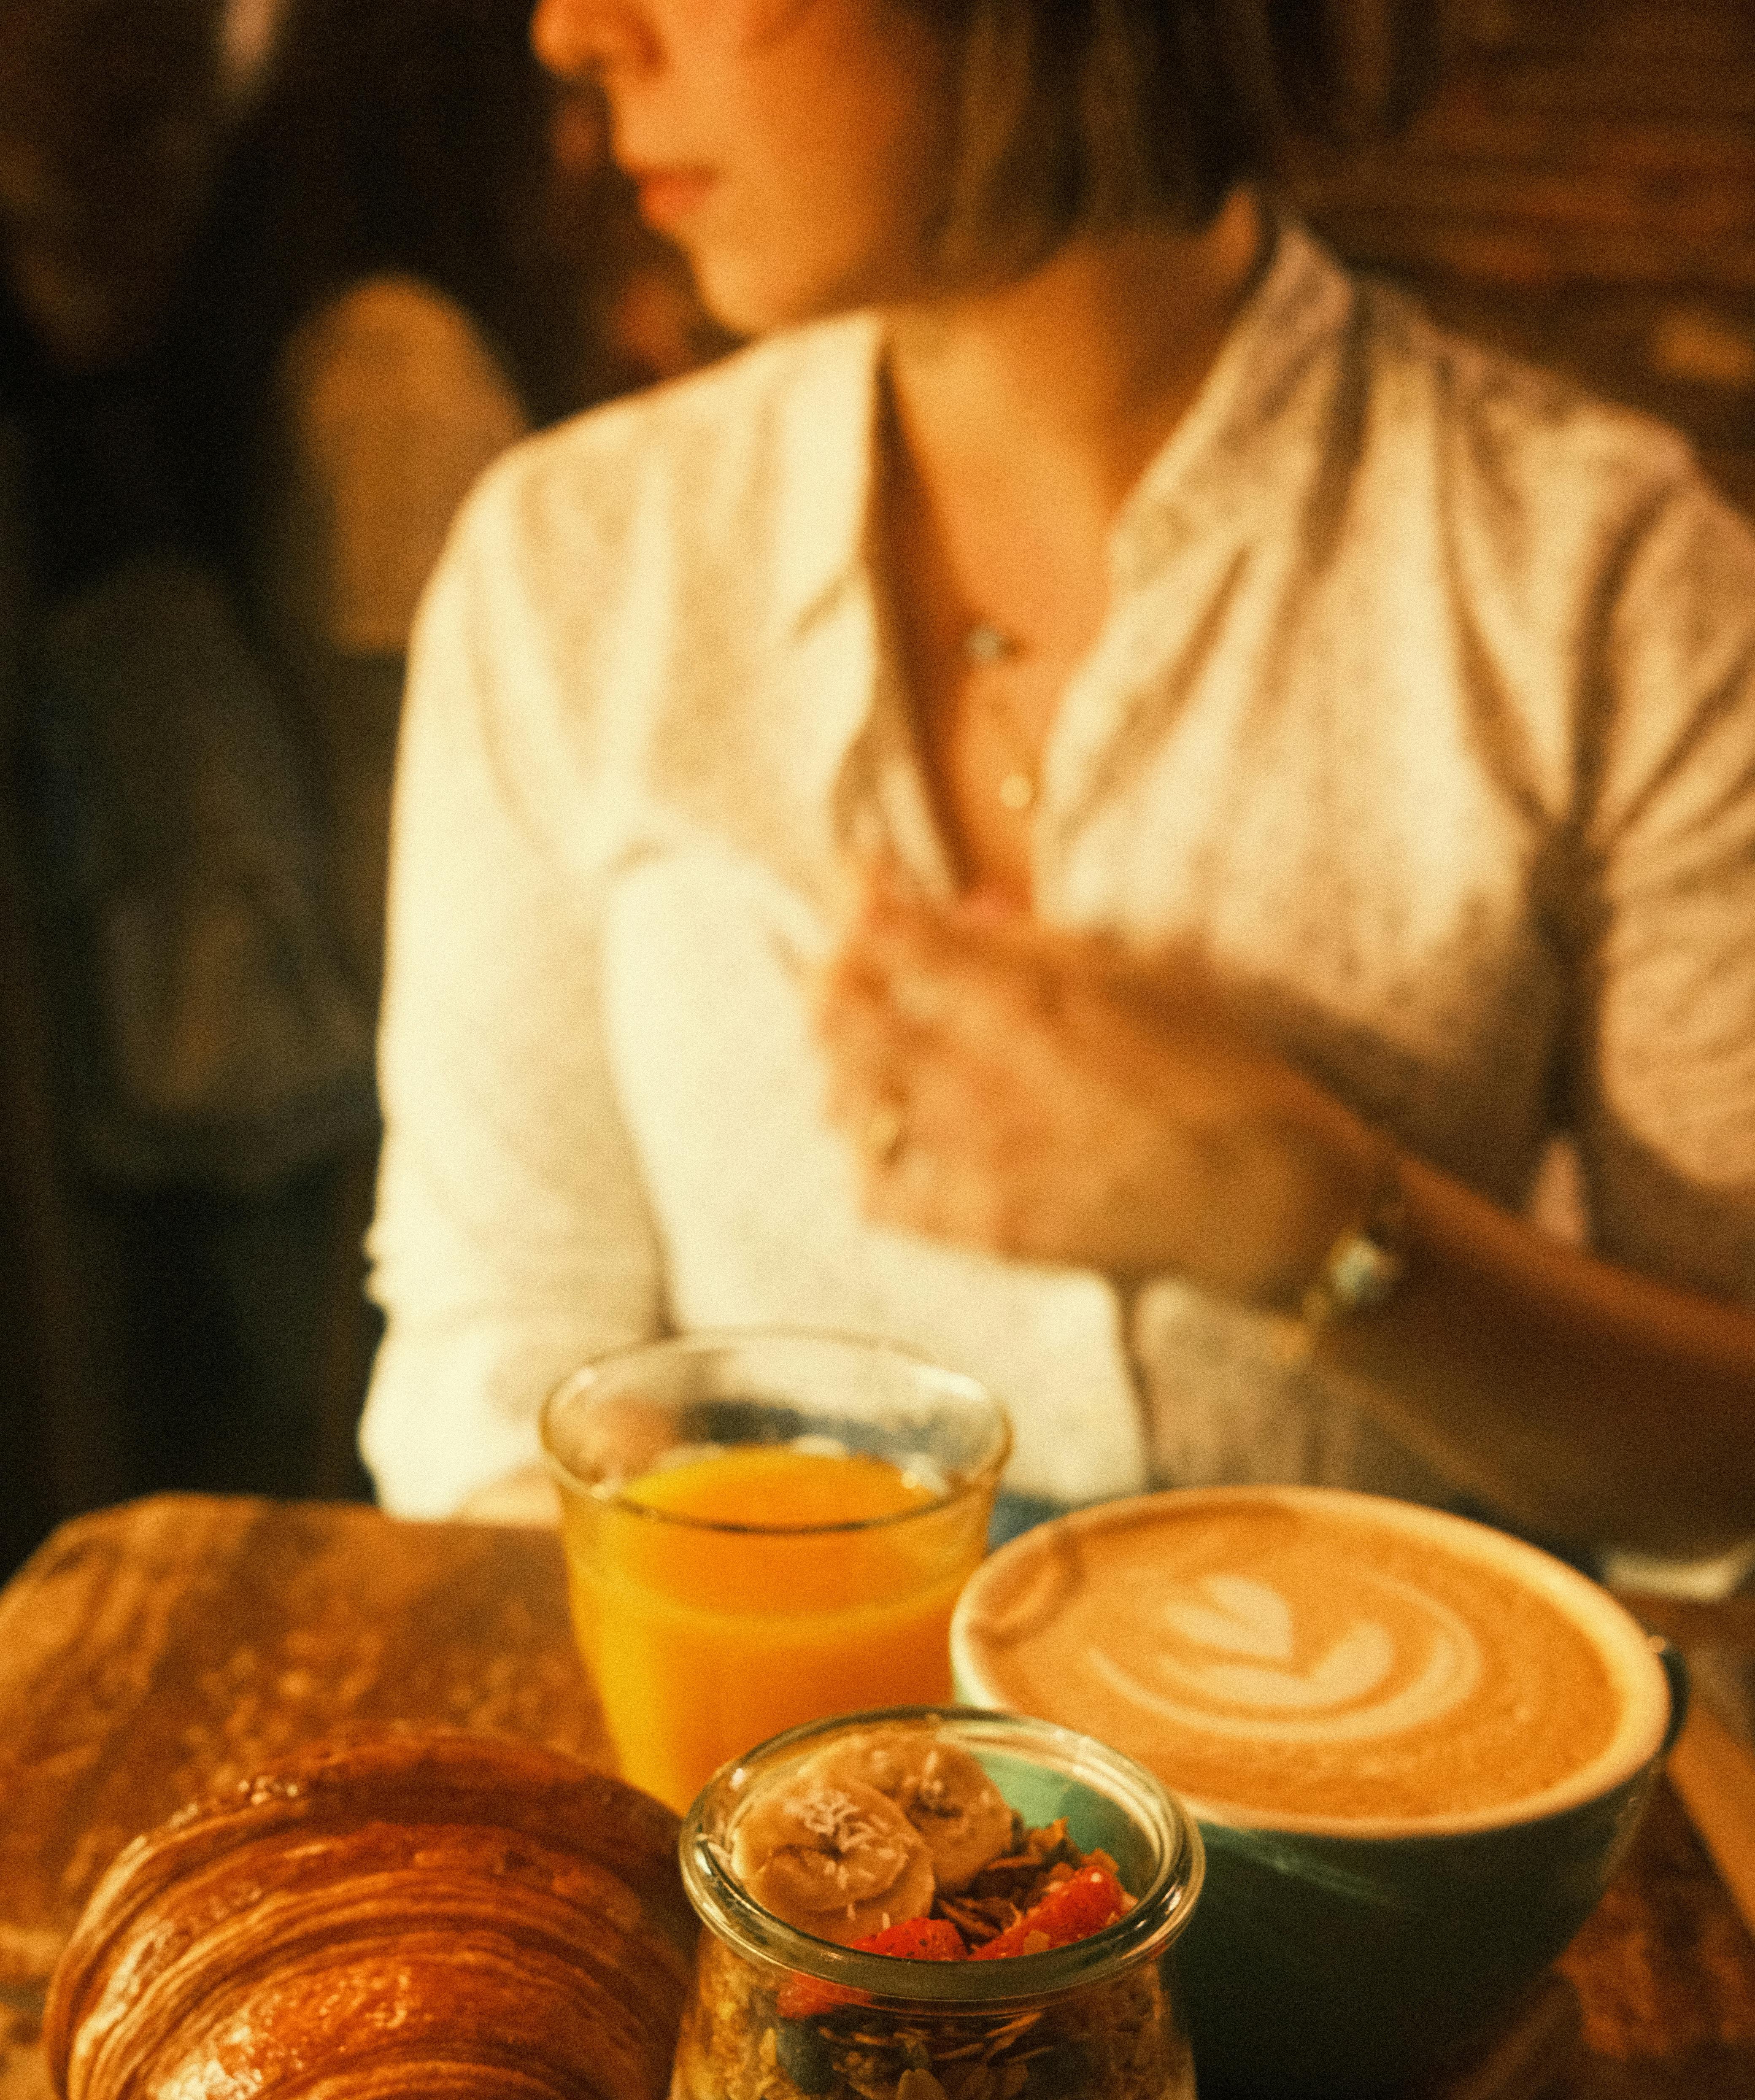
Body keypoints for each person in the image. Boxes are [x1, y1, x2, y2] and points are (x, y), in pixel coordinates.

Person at [360, 0, 1755, 1573]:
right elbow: (499, 1363)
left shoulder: (1609, 581)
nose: (574, 31)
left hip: (1407, 1776)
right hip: (766, 1767)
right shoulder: (569, 567)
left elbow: (1728, 1460)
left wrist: (1316, 1224)